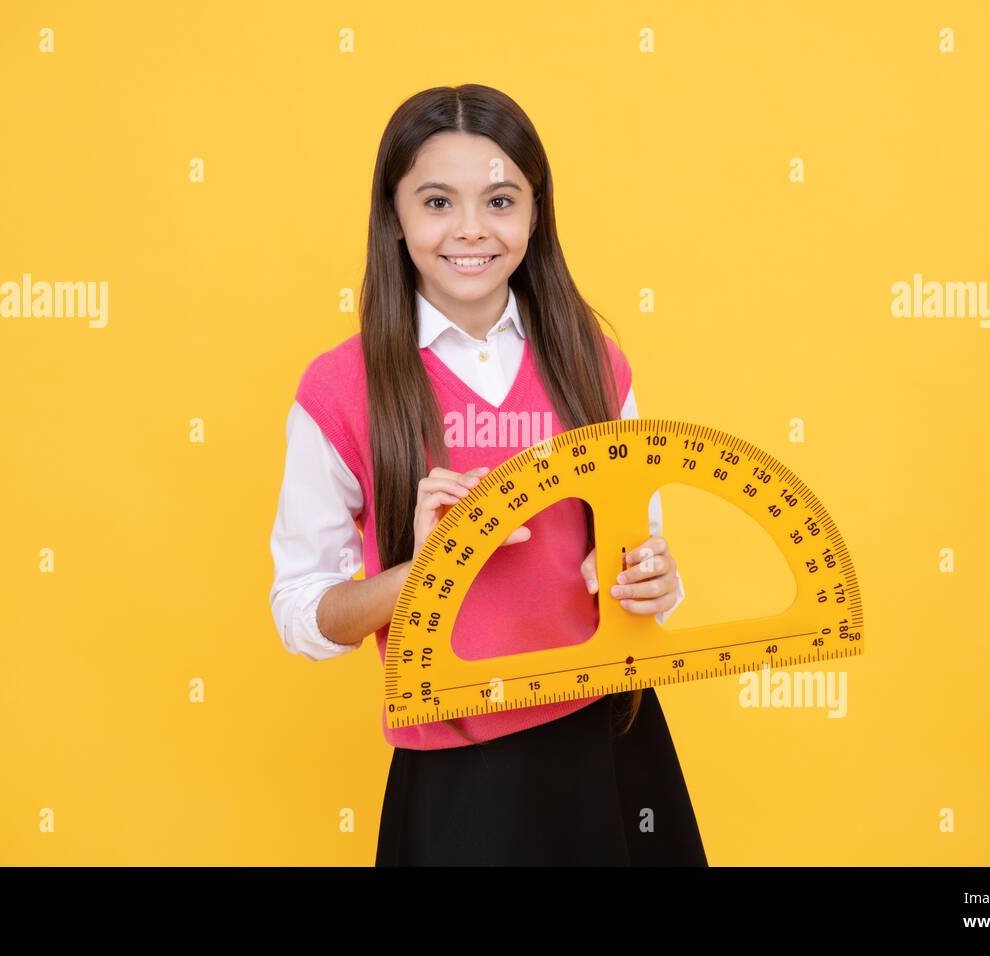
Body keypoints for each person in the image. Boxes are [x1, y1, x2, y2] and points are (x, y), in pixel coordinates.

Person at [268, 84, 706, 866]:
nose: (471, 230)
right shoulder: (340, 389)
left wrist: (653, 581)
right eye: (437, 201)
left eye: (500, 200)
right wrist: (424, 572)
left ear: (535, 215)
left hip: (612, 742)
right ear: (394, 218)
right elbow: (306, 613)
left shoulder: (596, 364)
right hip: (458, 771)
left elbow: (646, 561)